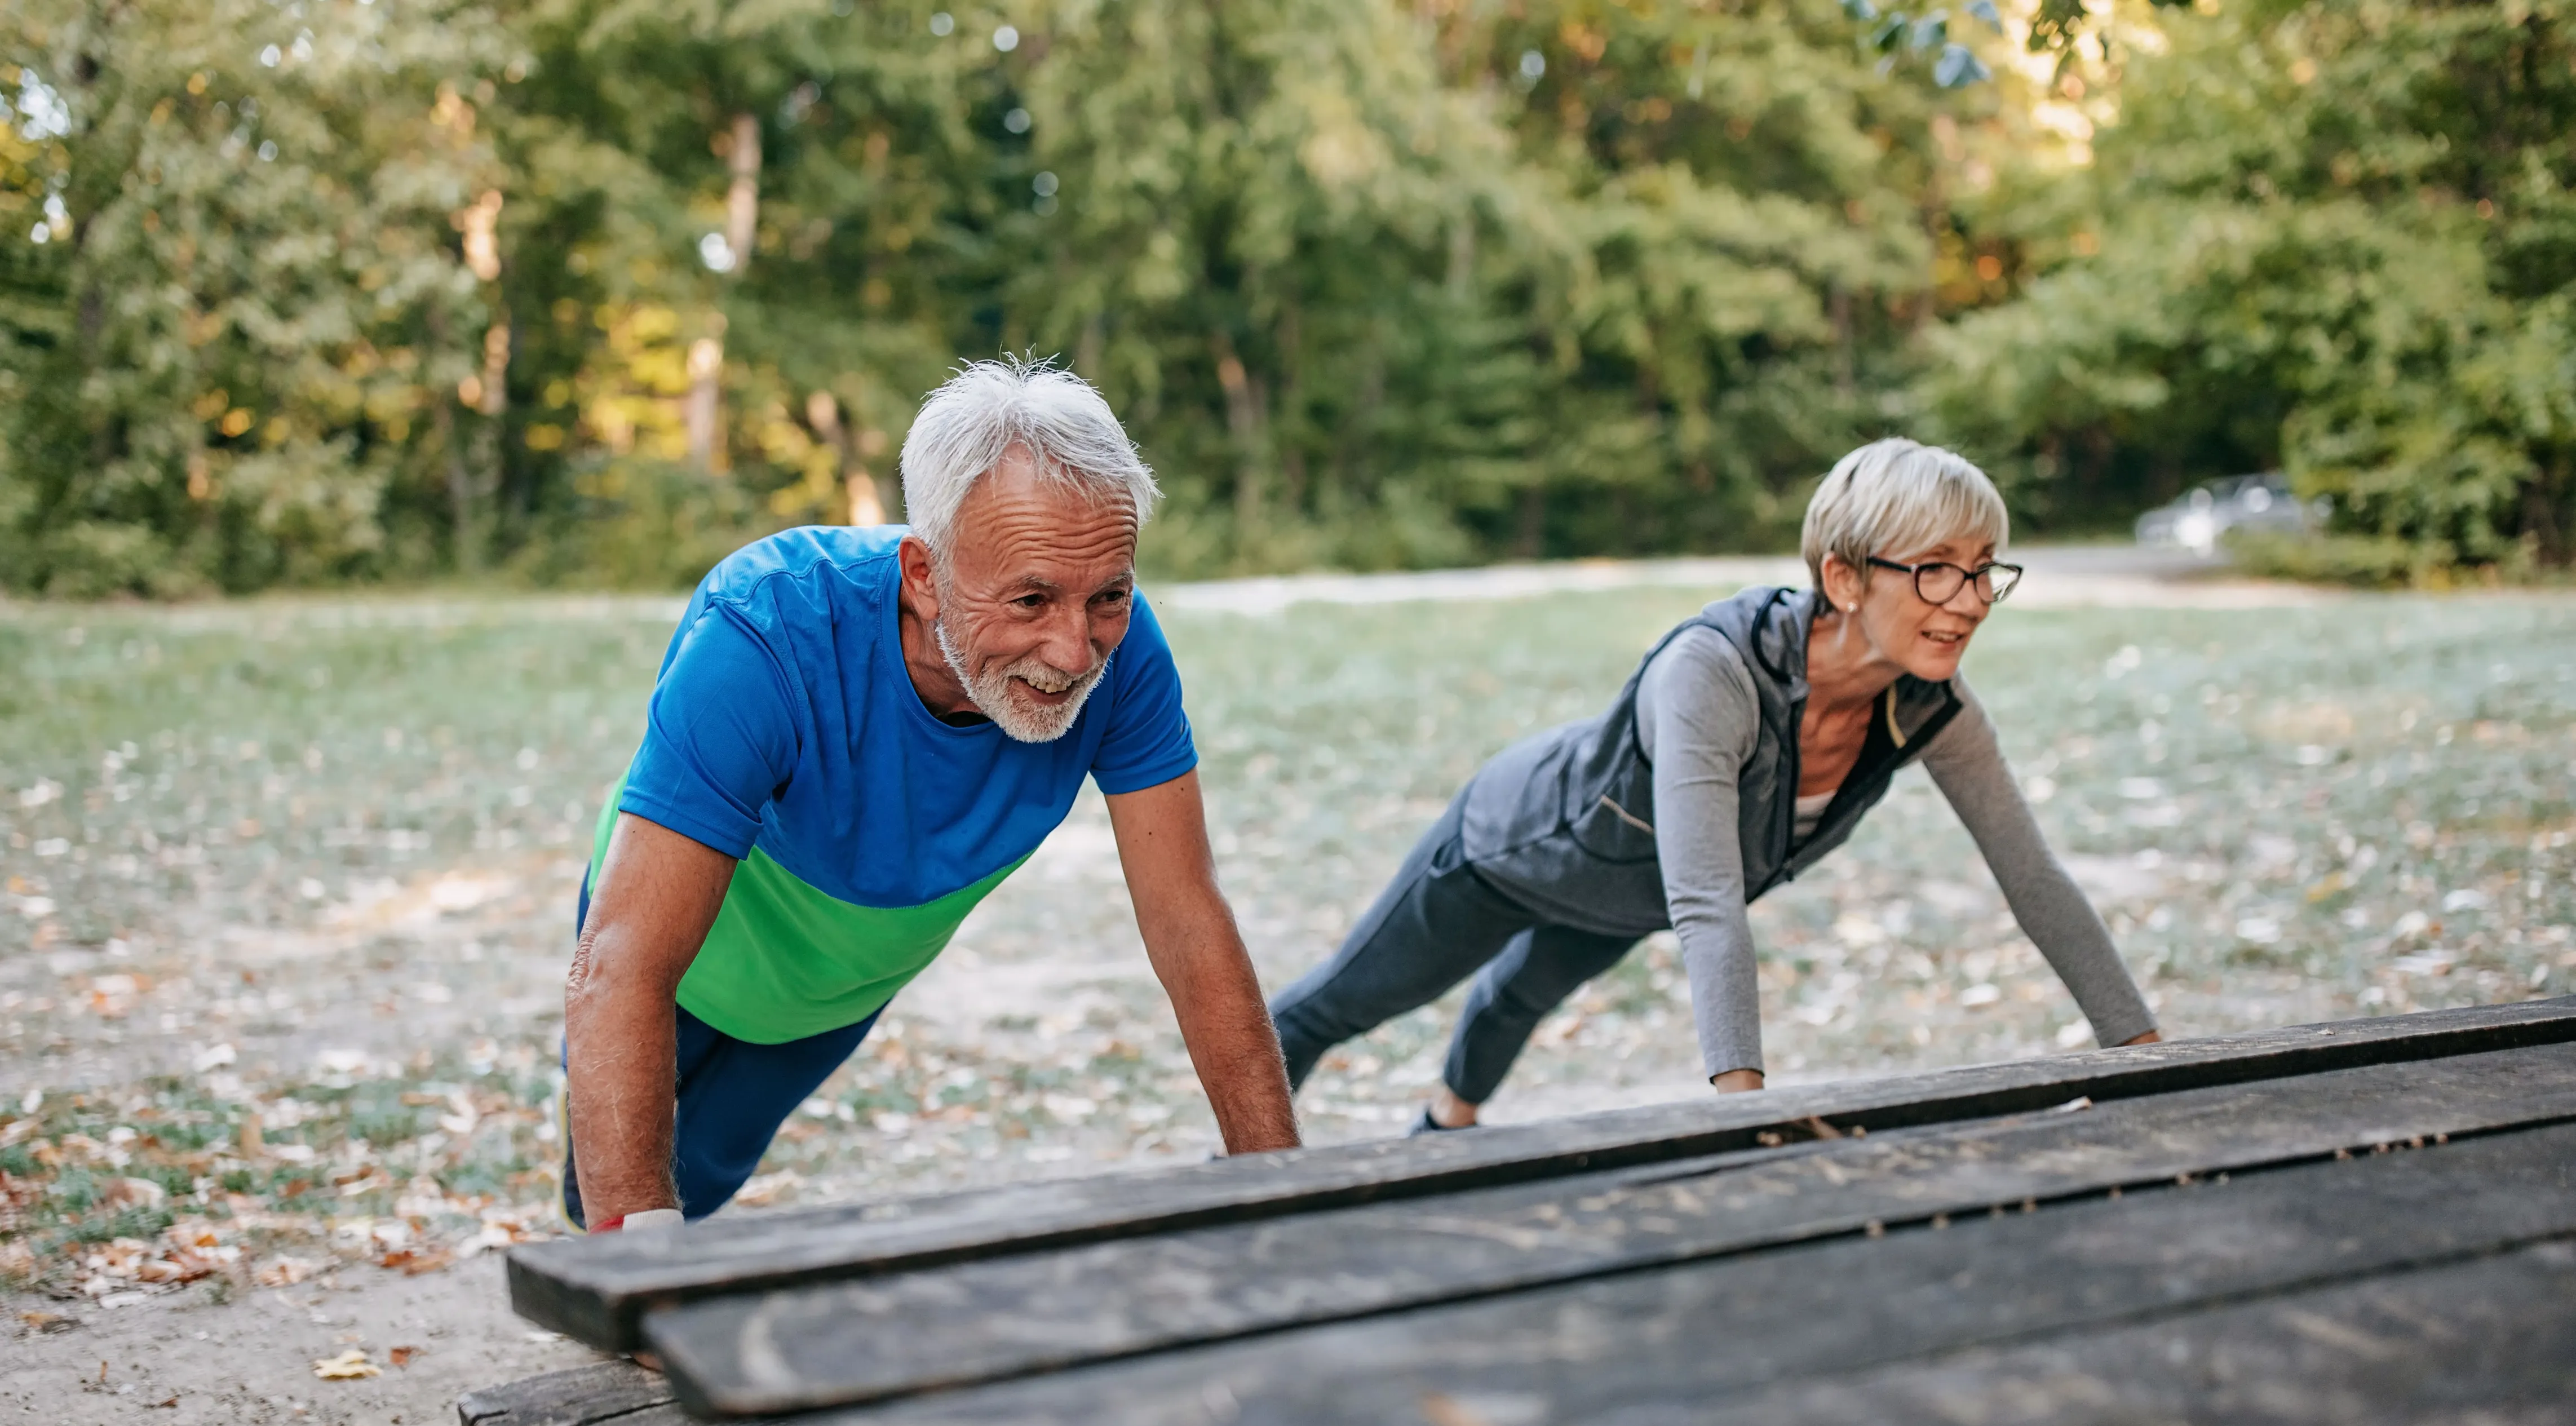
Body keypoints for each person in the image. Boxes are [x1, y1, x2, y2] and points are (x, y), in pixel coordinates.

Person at [563, 360, 1300, 1235]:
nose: (1075, 652)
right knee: (609, 1201)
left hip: (843, 981)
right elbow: (623, 963)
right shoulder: (765, 631)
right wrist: (637, 1269)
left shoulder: (1123, 651)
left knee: (709, 1164)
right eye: (1030, 598)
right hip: (686, 953)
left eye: (1108, 593)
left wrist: (1285, 1199)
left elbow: (1187, 919)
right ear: (923, 573)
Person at [1269, 438, 2162, 1132]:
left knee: (1519, 995)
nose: (1967, 599)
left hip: (1626, 891)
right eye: (1934, 567)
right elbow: (1706, 899)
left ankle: (1442, 1126)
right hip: (1505, 847)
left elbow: (2033, 878)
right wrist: (1746, 1110)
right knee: (1335, 1008)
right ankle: (1234, 1173)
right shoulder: (1716, 669)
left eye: (1981, 568)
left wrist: (2147, 1060)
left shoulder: (1928, 709)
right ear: (1843, 579)